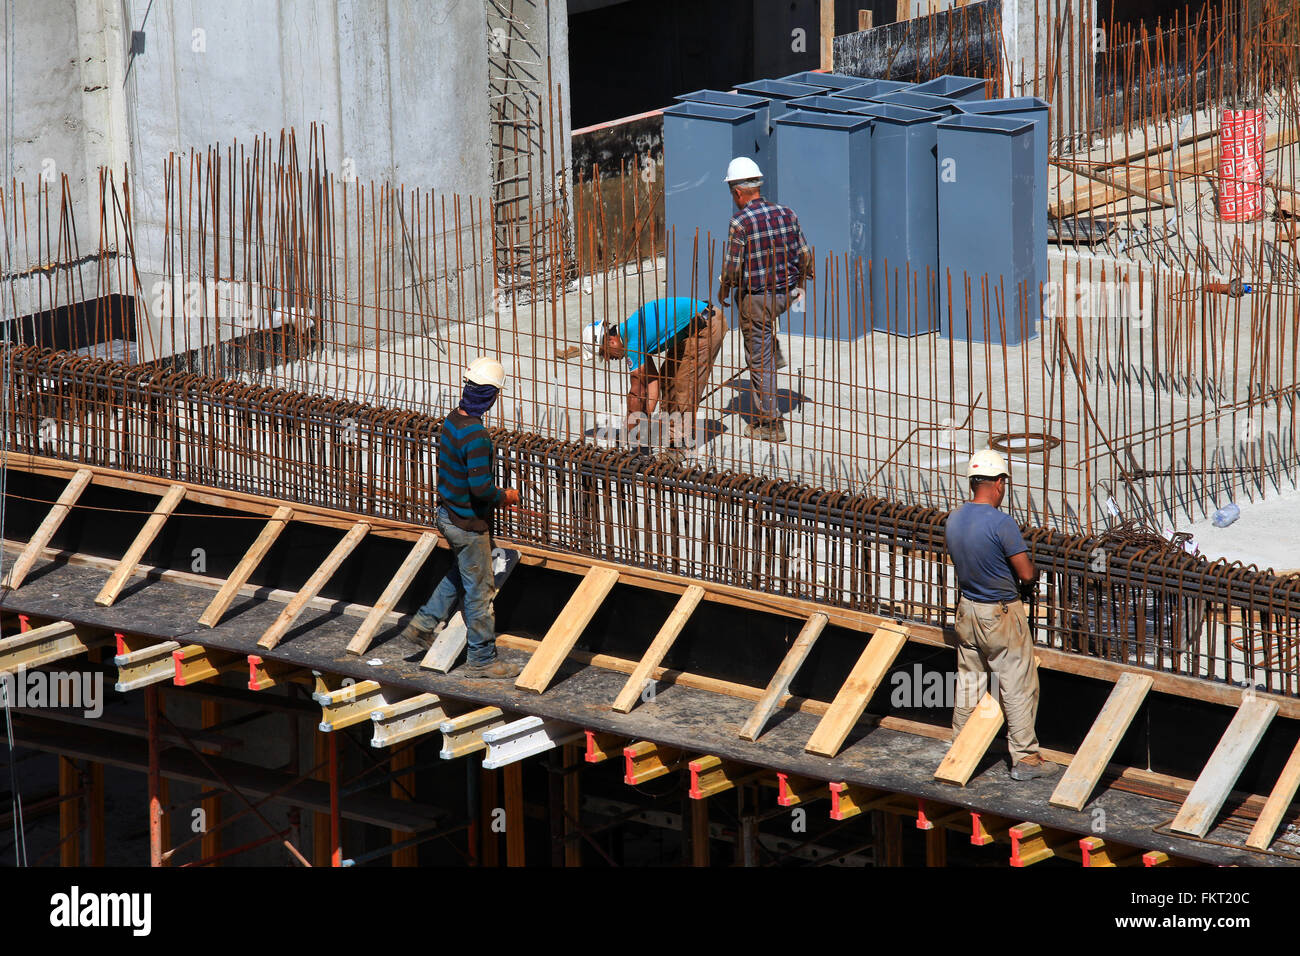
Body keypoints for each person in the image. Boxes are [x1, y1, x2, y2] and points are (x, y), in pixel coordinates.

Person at [404, 357, 521, 679]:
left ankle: (424, 624)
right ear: (491, 396)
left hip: (446, 514)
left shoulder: (453, 420)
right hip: (468, 525)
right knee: (480, 591)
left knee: (462, 573)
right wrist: (506, 497)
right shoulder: (477, 436)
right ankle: (482, 659)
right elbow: (481, 488)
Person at [944, 449, 1057, 781]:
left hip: (967, 610)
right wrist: (1033, 573)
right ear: (998, 483)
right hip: (1001, 613)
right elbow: (1025, 573)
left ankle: (960, 748)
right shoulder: (1001, 523)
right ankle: (1025, 759)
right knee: (1017, 683)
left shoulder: (954, 518)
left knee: (968, 681)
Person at [717, 156, 814, 444]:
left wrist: (724, 290)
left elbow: (733, 269)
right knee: (764, 331)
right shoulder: (787, 212)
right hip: (786, 294)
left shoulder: (740, 221)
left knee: (759, 360)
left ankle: (770, 424)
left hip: (758, 299)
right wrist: (799, 284)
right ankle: (773, 348)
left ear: (737, 192)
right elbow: (805, 255)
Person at [584, 297, 726, 465]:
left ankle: (677, 447)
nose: (607, 359)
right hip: (692, 325)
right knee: (668, 378)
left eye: (603, 354)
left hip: (706, 326)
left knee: (682, 384)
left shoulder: (633, 343)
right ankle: (671, 433)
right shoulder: (630, 334)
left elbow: (637, 393)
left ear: (610, 341)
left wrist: (633, 435)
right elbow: (652, 383)